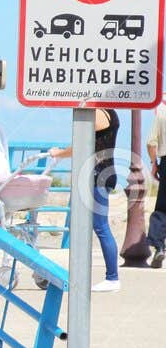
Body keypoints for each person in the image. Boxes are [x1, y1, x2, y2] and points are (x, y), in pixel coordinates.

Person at [50, 104, 121, 292]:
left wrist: (59, 153)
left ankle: (112, 277)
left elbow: (81, 143)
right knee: (86, 225)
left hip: (97, 175)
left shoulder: (97, 113)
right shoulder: (111, 112)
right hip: (101, 173)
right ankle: (83, 275)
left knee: (100, 226)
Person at [141, 102, 166, 269]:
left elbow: (151, 142)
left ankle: (159, 246)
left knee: (163, 207)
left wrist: (154, 163)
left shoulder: (162, 112)